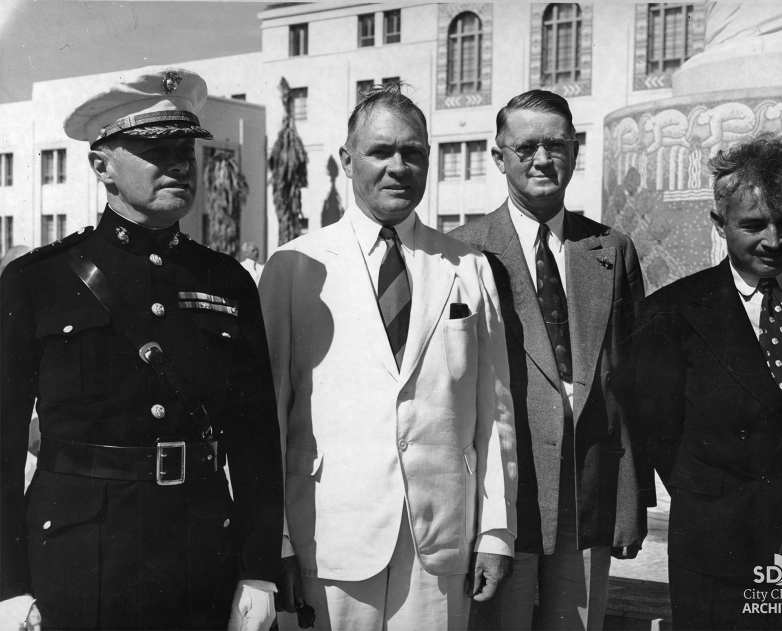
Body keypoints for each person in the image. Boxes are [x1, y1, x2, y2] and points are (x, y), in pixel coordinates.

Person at [0, 67, 283, 631]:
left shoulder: (227, 282)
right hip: (78, 565)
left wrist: (258, 571)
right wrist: (7, 587)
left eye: (186, 149)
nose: (179, 163)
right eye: (157, 149)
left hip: (200, 558)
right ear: (101, 166)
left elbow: (255, 438)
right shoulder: (37, 281)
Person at [259, 83, 517, 631]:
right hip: (329, 538)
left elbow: (495, 416)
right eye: (380, 151)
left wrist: (496, 531)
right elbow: (268, 419)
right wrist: (276, 540)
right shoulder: (293, 267)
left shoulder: (468, 267)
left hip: (438, 544)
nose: (398, 167)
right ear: (347, 160)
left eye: (413, 152)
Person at [451, 90, 650, 631]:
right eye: (526, 147)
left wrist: (630, 502)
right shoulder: (462, 251)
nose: (542, 159)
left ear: (575, 150)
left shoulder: (611, 248)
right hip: (503, 497)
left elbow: (631, 382)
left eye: (556, 145)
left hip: (586, 492)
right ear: (499, 157)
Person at [634, 133, 782, 630]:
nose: (774, 241)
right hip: (717, 553)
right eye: (753, 225)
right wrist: (715, 500)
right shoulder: (670, 313)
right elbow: (659, 433)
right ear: (719, 223)